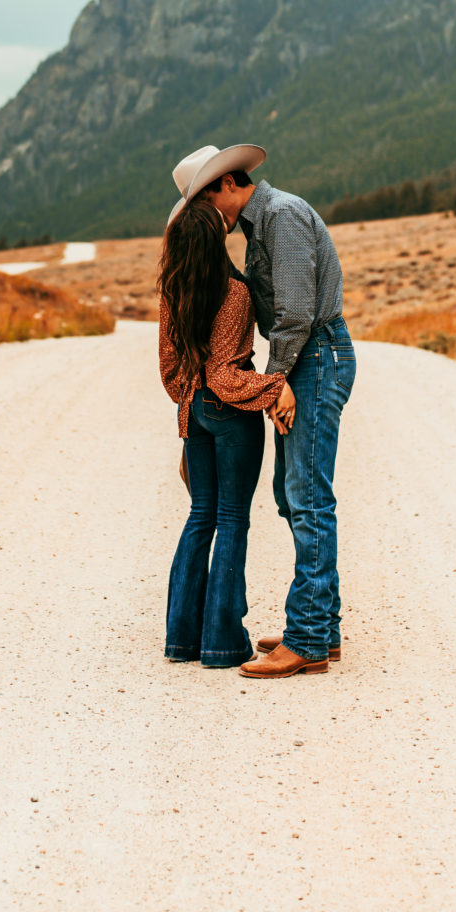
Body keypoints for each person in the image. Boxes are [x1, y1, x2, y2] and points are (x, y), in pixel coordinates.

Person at [168, 143, 355, 679]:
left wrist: (275, 382)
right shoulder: (259, 224)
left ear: (227, 183)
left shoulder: (281, 215)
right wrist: (276, 384)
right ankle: (322, 624)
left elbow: (295, 315)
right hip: (306, 361)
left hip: (316, 356)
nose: (206, 214)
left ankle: (309, 641)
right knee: (293, 494)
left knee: (307, 496)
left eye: (206, 198)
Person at [158, 189, 296, 668]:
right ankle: (220, 642)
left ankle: (181, 638)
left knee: (201, 516)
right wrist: (274, 385)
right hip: (228, 413)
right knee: (232, 519)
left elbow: (172, 369)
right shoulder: (233, 293)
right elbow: (223, 373)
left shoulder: (173, 290)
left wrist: (186, 415)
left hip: (194, 408)